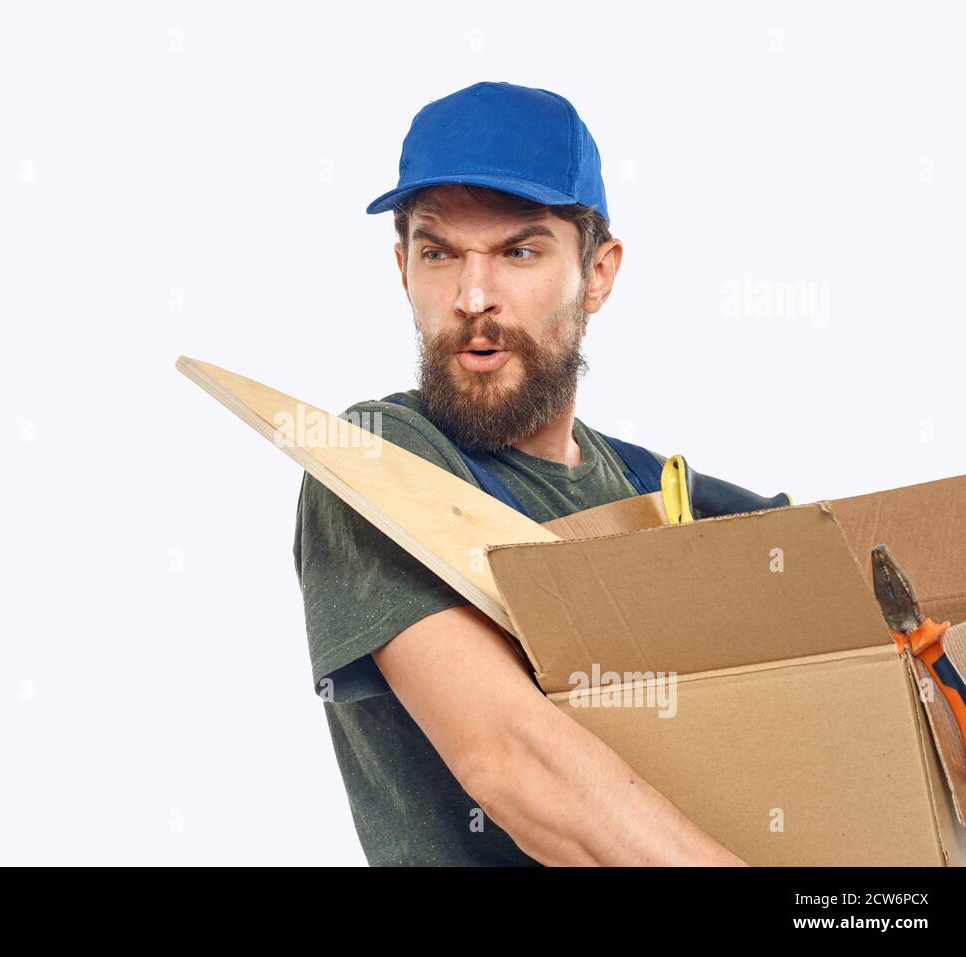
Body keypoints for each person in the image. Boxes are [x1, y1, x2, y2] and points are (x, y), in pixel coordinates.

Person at [292, 81, 747, 866]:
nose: (473, 297)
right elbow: (517, 763)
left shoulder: (657, 491)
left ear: (598, 274)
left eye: (518, 251)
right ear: (403, 269)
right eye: (439, 253)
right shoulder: (370, 459)